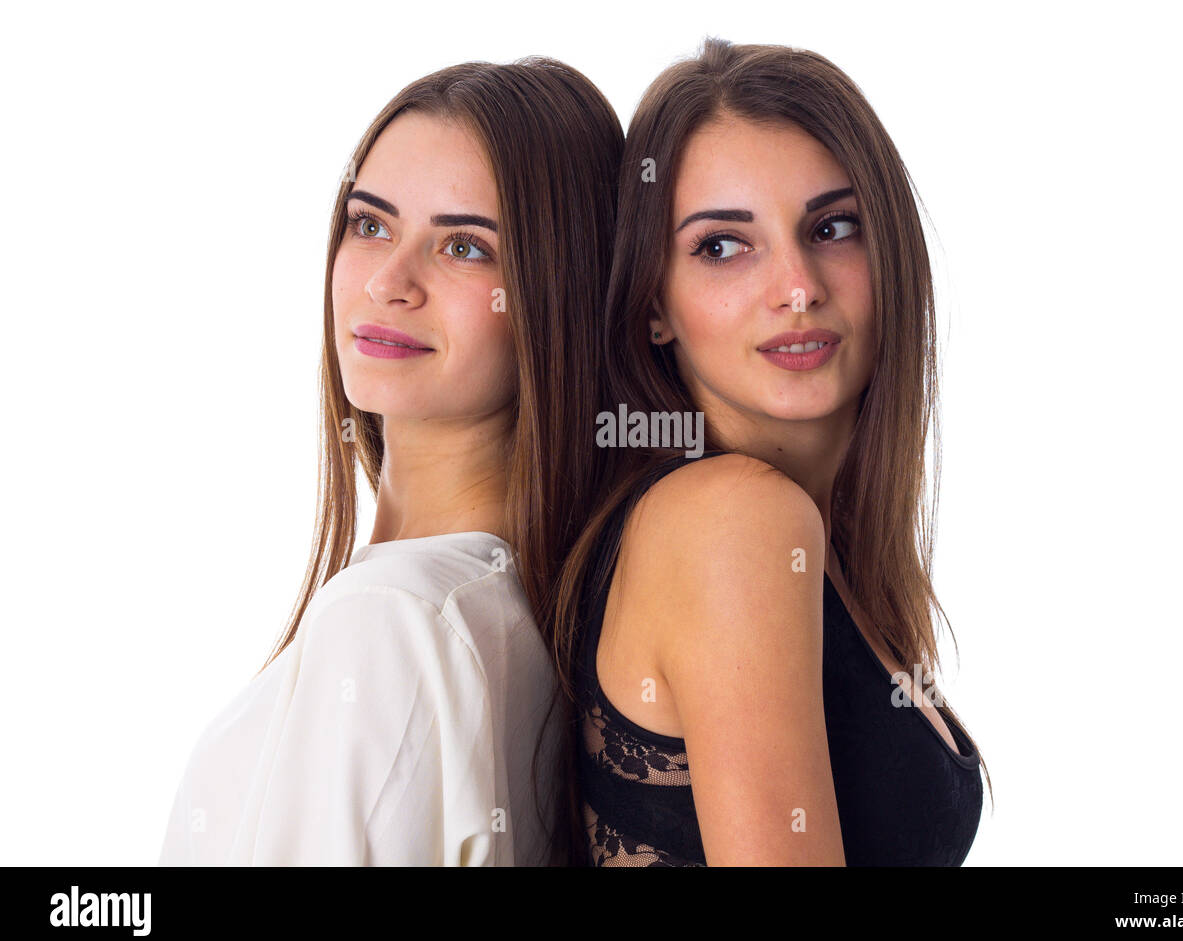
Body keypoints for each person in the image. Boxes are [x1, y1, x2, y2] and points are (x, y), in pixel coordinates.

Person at [158, 58, 623, 865]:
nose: (387, 280)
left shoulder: (392, 617)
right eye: (370, 225)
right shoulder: (513, 614)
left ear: (560, 295)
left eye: (466, 247)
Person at [550, 37, 991, 866]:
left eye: (833, 227)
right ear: (654, 305)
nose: (797, 285)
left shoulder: (816, 542)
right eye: (721, 245)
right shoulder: (737, 520)